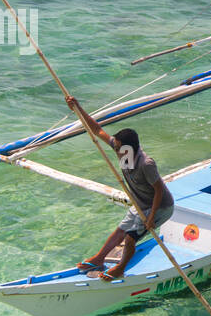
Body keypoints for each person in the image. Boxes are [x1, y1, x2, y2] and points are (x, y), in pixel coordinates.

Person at [65, 97, 174, 282]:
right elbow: (97, 129)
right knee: (120, 231)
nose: (115, 151)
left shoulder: (146, 164)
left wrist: (151, 217)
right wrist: (77, 108)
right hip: (140, 203)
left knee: (130, 239)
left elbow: (159, 191)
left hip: (160, 207)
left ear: (129, 149)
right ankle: (99, 259)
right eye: (115, 146)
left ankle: (120, 269)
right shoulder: (122, 151)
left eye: (117, 148)